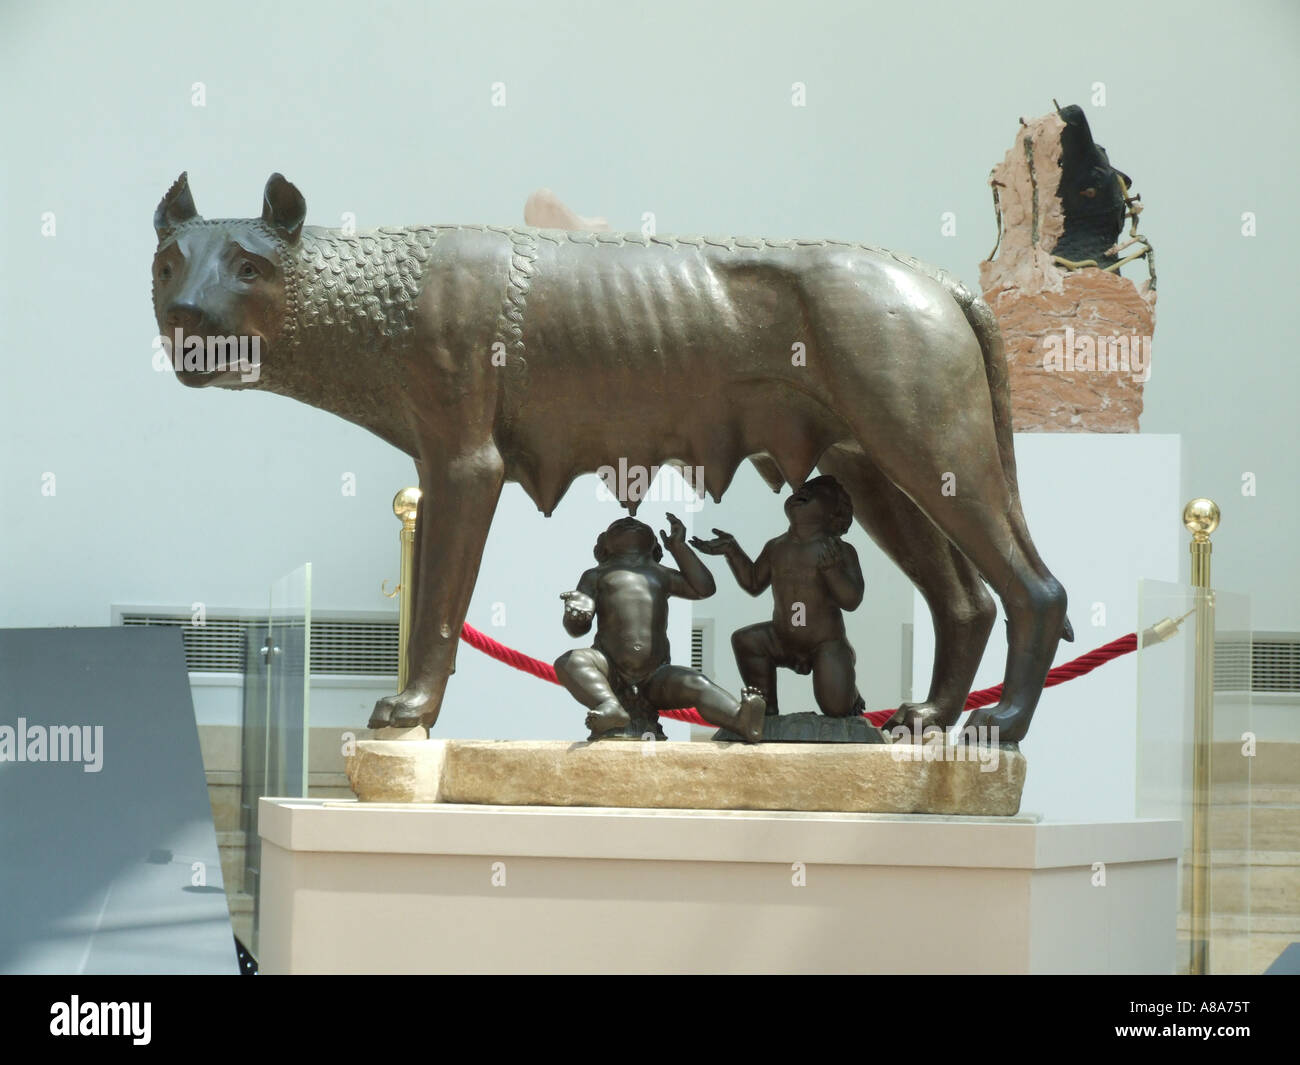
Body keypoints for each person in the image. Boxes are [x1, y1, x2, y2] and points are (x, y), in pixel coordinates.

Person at [555, 514, 765, 742]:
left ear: (654, 545)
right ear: (604, 545)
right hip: (610, 669)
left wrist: (678, 547)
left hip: (656, 675)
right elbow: (577, 630)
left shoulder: (661, 573)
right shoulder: (595, 575)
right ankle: (608, 704)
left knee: (696, 683)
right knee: (570, 662)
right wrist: (577, 614)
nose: (629, 520)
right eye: (618, 525)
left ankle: (739, 719)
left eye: (637, 524)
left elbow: (703, 588)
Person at [691, 475, 865, 718]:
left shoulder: (839, 550)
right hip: (781, 638)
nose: (802, 490)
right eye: (801, 488)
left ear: (833, 513)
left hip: (825, 642)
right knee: (746, 640)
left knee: (837, 709)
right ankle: (765, 710)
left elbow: (852, 600)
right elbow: (753, 583)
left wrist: (832, 571)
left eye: (815, 490)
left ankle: (851, 691)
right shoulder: (776, 547)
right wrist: (732, 551)